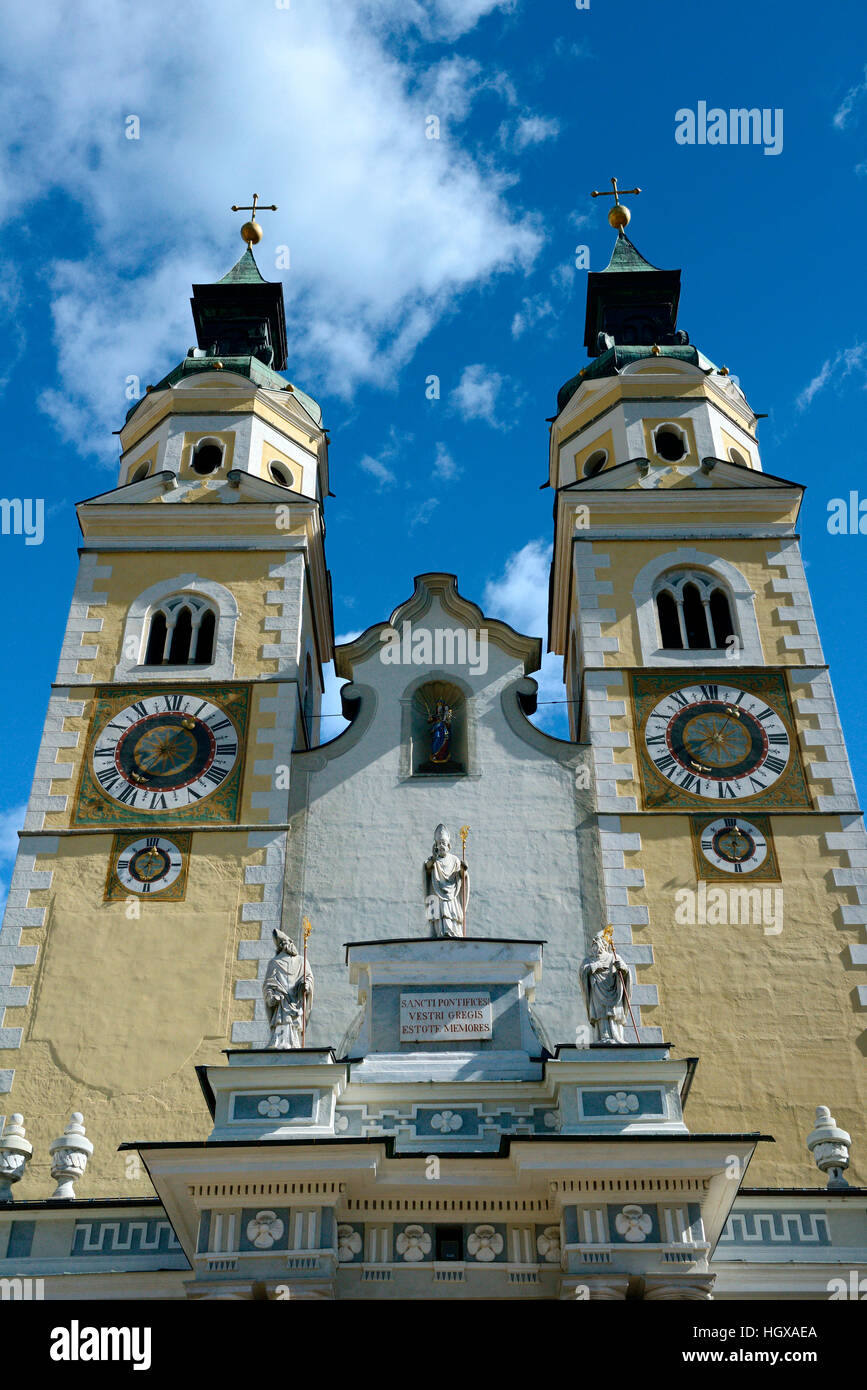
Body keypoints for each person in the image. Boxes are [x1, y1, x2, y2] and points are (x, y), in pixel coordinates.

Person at [262, 929, 314, 1049]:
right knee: (282, 1023)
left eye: (289, 942)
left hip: (296, 1002)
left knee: (293, 1027)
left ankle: (293, 1044)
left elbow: (308, 977)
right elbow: (268, 985)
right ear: (281, 946)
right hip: (281, 1001)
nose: (289, 945)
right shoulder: (274, 962)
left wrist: (306, 985)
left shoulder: (301, 961)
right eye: (286, 943)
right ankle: (279, 1043)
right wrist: (271, 997)